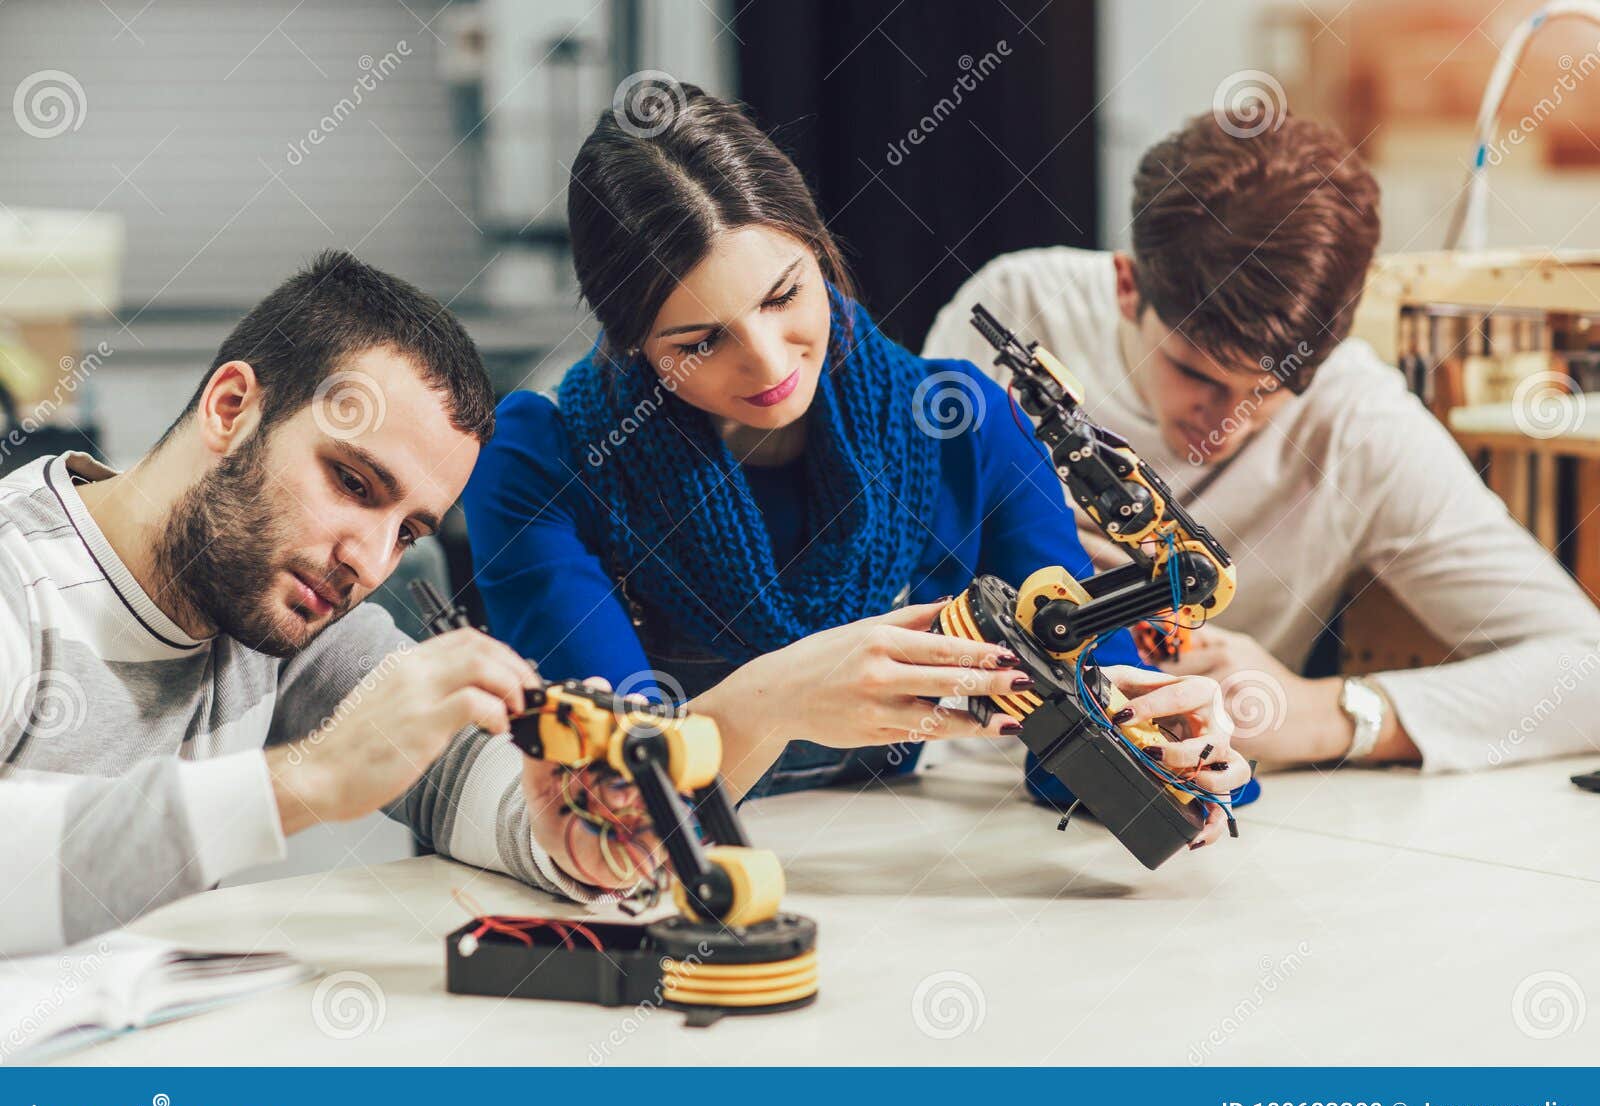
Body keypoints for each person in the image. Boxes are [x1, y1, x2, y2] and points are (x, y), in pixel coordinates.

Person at [462, 82, 1249, 840]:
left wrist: (1166, 751)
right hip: (671, 907)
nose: (769, 363)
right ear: (632, 339)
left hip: (900, 891)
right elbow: (620, 802)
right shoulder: (544, 464)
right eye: (701, 341)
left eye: (782, 296)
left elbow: (1068, 738)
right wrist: (775, 700)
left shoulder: (966, 426)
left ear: (817, 246)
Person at [0, 251, 649, 956]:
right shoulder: (18, 581)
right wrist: (307, 777)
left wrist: (555, 825)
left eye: (407, 532)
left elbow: (444, 764)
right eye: (352, 482)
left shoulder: (274, 602)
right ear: (231, 410)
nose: (369, 564)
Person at [924, 111, 1600, 772]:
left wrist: (1326, 714)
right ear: (1127, 286)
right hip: (943, 779)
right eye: (1195, 373)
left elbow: (1587, 669)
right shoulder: (1018, 315)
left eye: (1270, 389)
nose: (1225, 422)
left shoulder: (1355, 421)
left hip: (1190, 807)